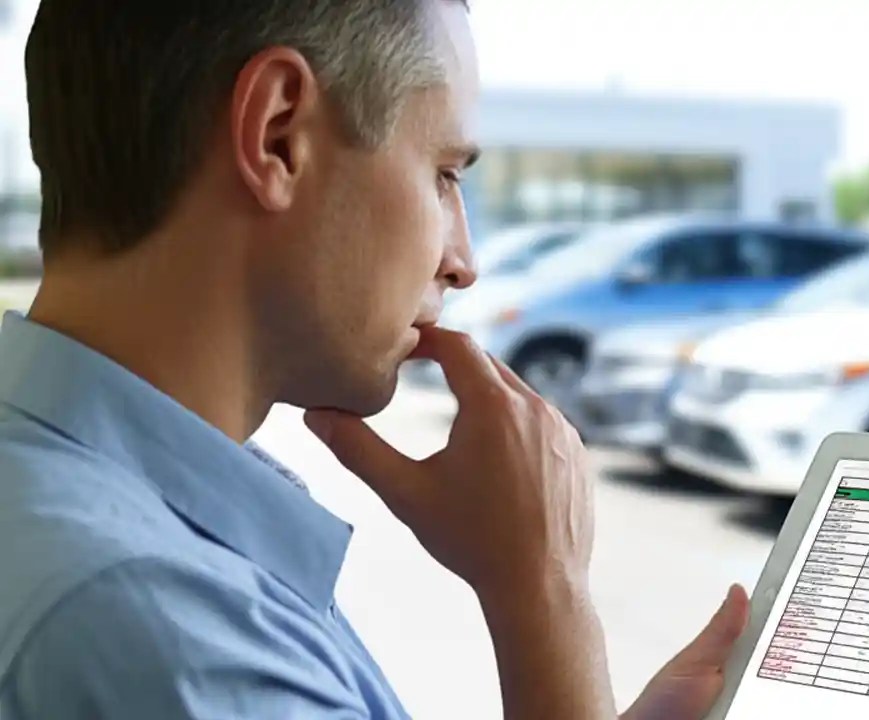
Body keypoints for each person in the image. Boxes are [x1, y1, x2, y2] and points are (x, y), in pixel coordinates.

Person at [0, 1, 751, 718]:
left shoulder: (67, 506)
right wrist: (545, 598)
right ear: (277, 135)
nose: (463, 263)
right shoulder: (169, 630)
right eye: (445, 174)